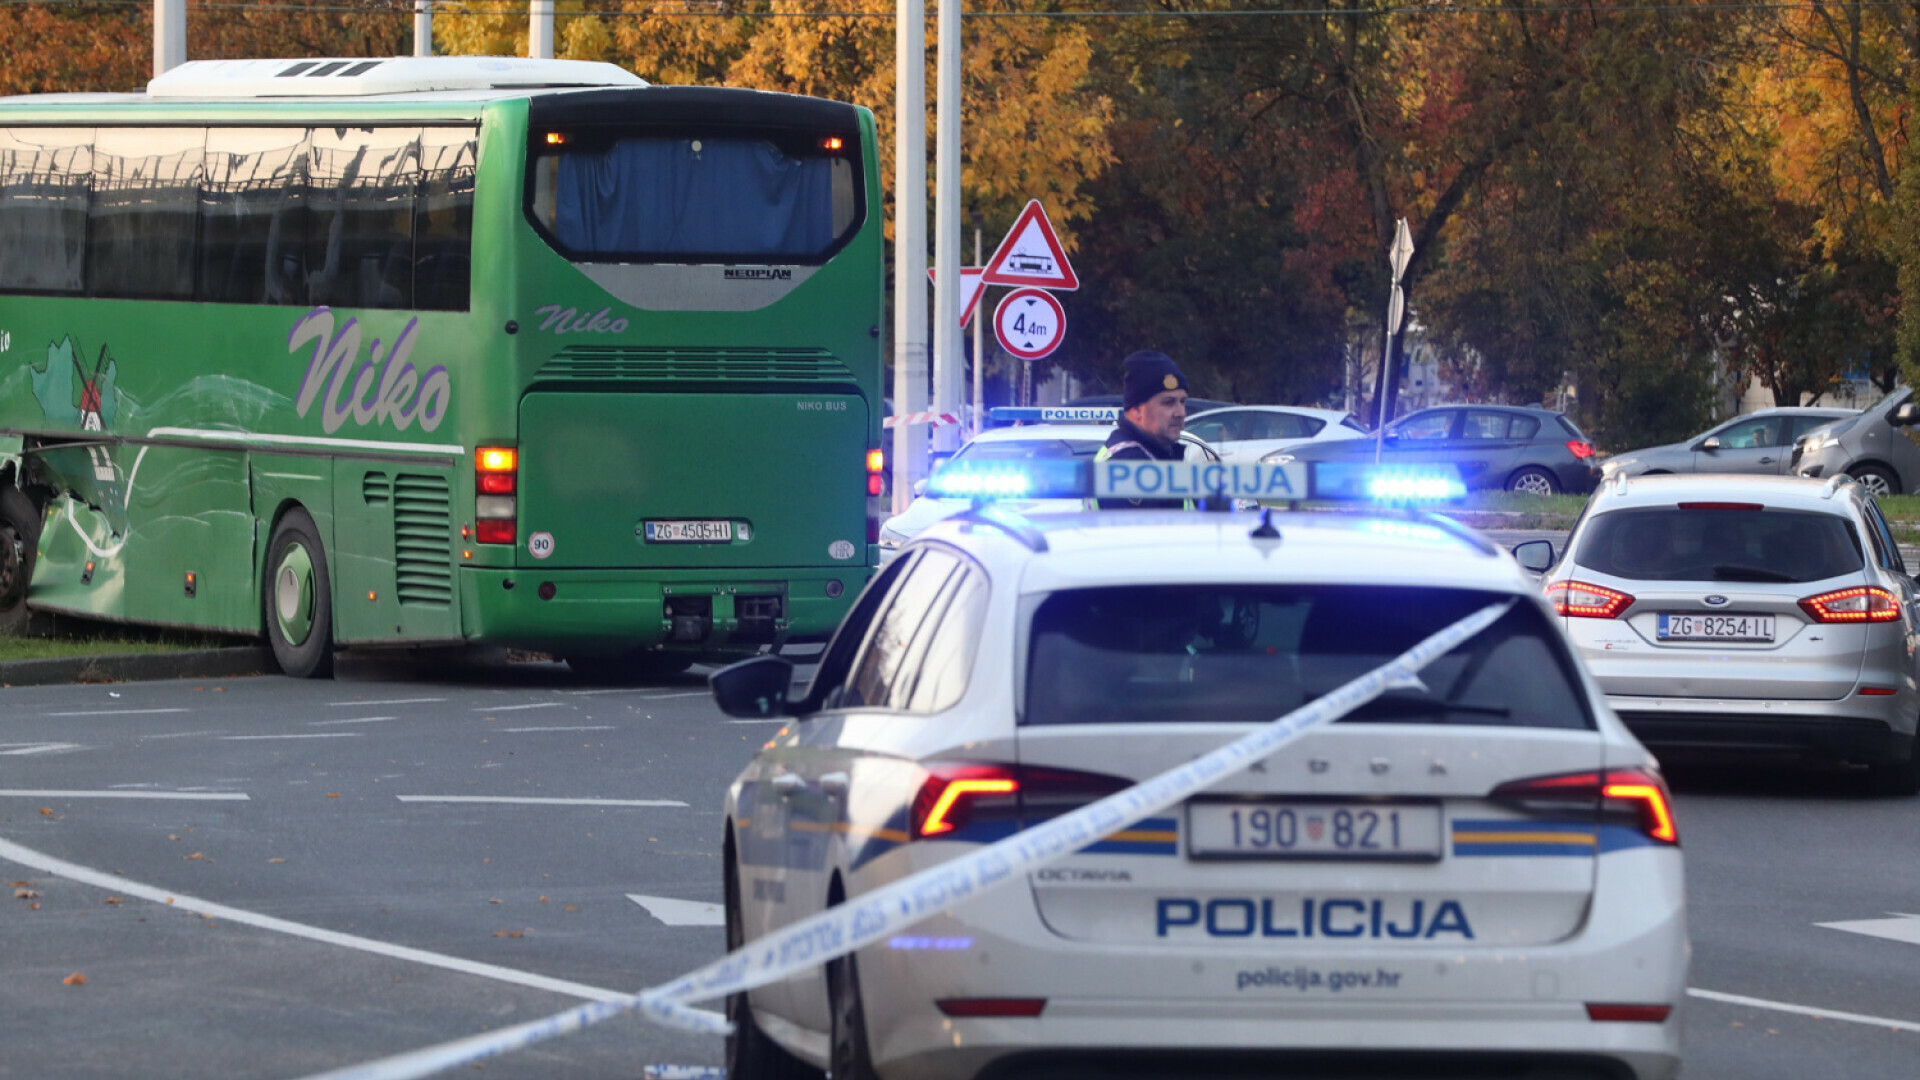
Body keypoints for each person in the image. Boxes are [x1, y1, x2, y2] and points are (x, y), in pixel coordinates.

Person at [1093, 350, 1205, 510]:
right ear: (1137, 410)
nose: (1181, 412)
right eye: (1168, 403)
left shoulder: (1156, 455)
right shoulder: (1129, 468)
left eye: (1182, 401)